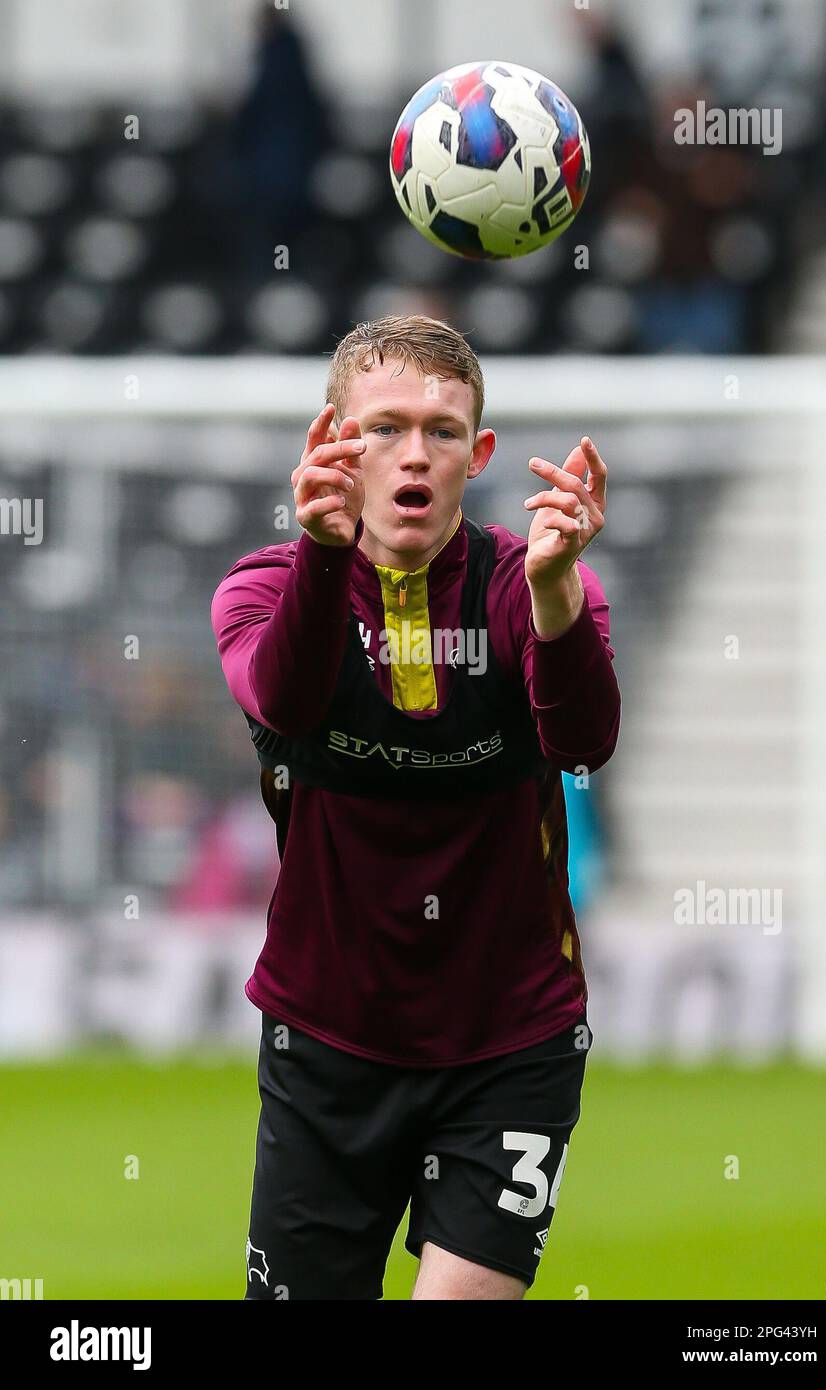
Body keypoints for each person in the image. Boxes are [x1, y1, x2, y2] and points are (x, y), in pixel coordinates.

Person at [211, 315, 621, 1300]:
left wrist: (557, 591)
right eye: (385, 426)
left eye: (442, 431)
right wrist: (319, 552)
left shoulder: (537, 587)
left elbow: (583, 742)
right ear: (332, 443)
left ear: (477, 455)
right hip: (327, 1036)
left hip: (509, 1036)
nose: (414, 454)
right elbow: (287, 704)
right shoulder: (262, 587)